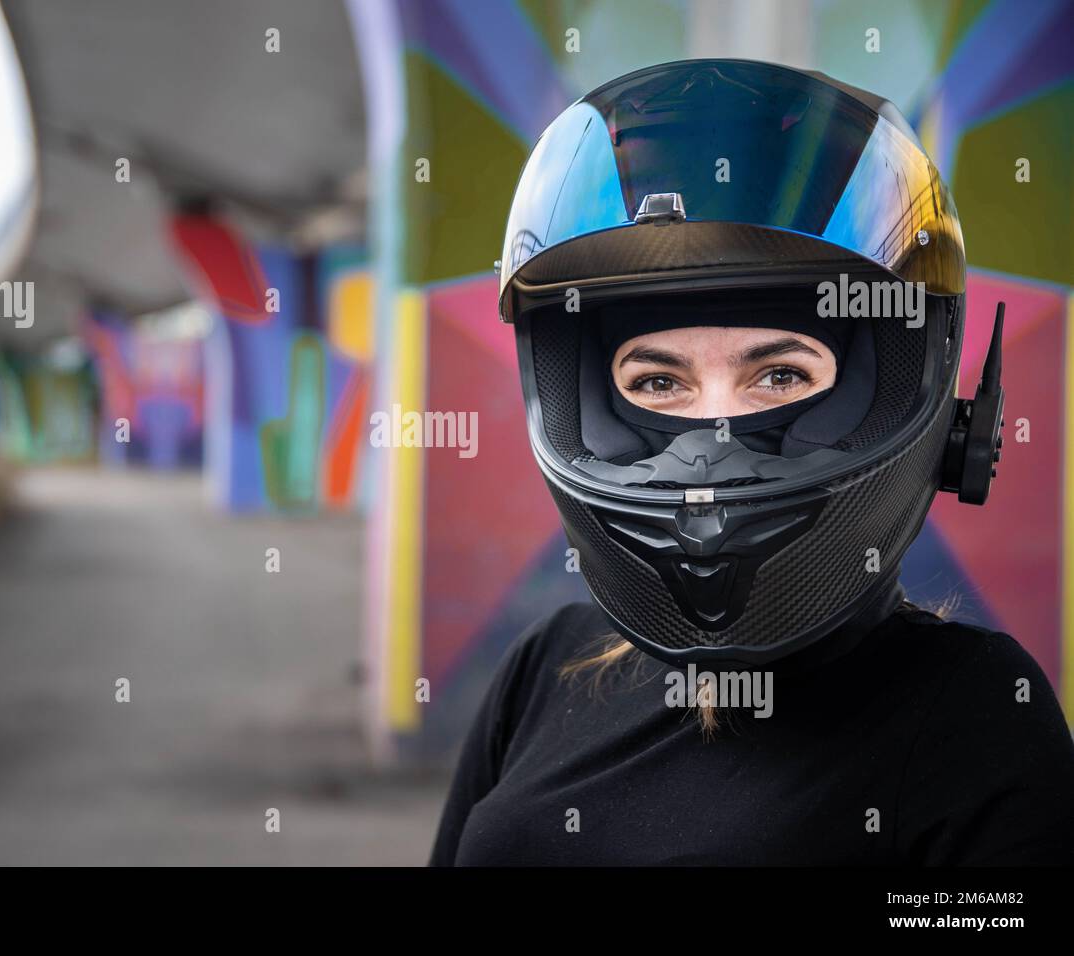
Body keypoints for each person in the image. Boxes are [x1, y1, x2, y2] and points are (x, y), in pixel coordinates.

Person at [429, 59, 1074, 866]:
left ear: (939, 414)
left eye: (780, 376)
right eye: (658, 381)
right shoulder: (545, 668)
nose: (710, 440)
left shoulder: (977, 719)